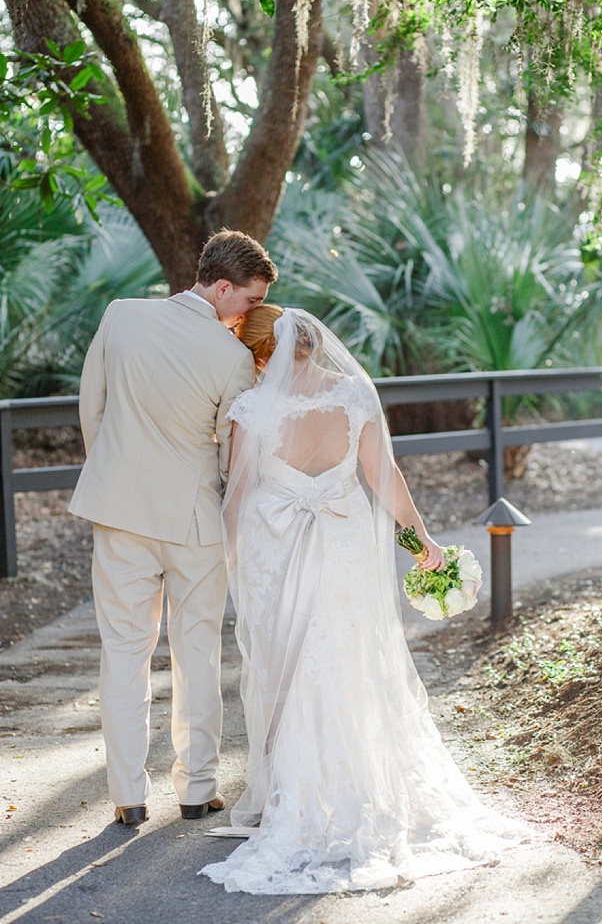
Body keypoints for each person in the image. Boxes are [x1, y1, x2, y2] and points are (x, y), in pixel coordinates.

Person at [199, 305, 526, 894]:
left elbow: (238, 494)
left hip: (276, 544)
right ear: (314, 345)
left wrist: (224, 560)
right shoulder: (353, 395)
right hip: (344, 541)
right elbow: (385, 475)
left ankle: (294, 797)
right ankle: (353, 784)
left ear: (261, 356)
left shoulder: (251, 408)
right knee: (347, 656)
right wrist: (419, 539)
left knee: (286, 662)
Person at [68, 230, 278, 828]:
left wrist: (116, 475)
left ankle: (127, 797)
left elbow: (93, 406)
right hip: (194, 520)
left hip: (120, 511)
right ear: (221, 287)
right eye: (250, 299)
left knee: (124, 653)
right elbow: (227, 450)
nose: (253, 312)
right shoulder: (233, 358)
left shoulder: (121, 317)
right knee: (197, 654)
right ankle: (197, 790)